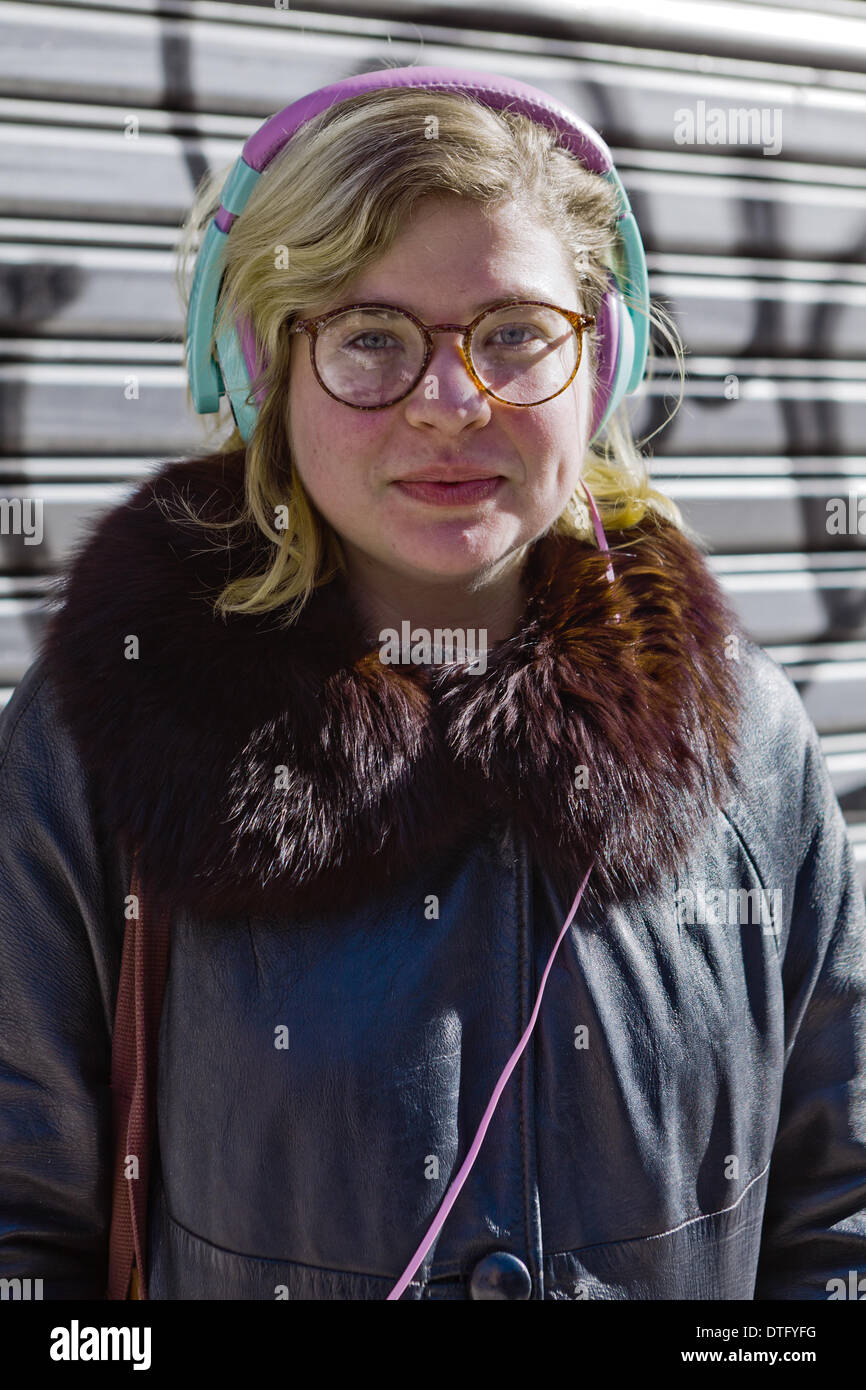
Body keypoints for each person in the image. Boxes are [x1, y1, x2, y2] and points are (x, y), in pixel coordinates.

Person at [1, 65, 865, 1303]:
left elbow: (836, 1209)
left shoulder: (746, 734)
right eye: (369, 339)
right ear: (261, 372)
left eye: (515, 335)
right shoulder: (103, 729)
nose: (451, 402)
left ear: (599, 358)